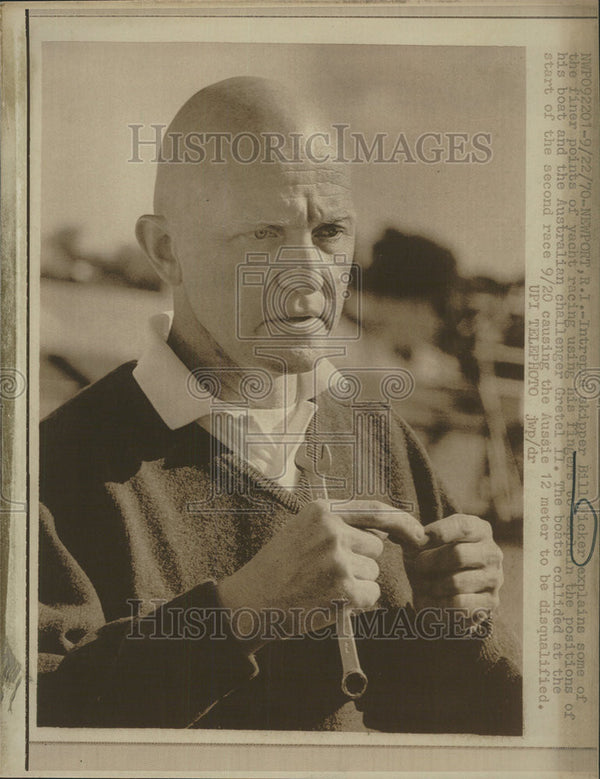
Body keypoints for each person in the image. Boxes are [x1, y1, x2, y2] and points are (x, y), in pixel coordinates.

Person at [38, 76, 521, 732]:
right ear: (166, 250)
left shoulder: (385, 441)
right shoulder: (51, 469)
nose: (307, 277)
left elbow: (481, 726)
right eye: (263, 235)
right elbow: (32, 722)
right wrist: (239, 614)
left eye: (328, 231)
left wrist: (461, 626)